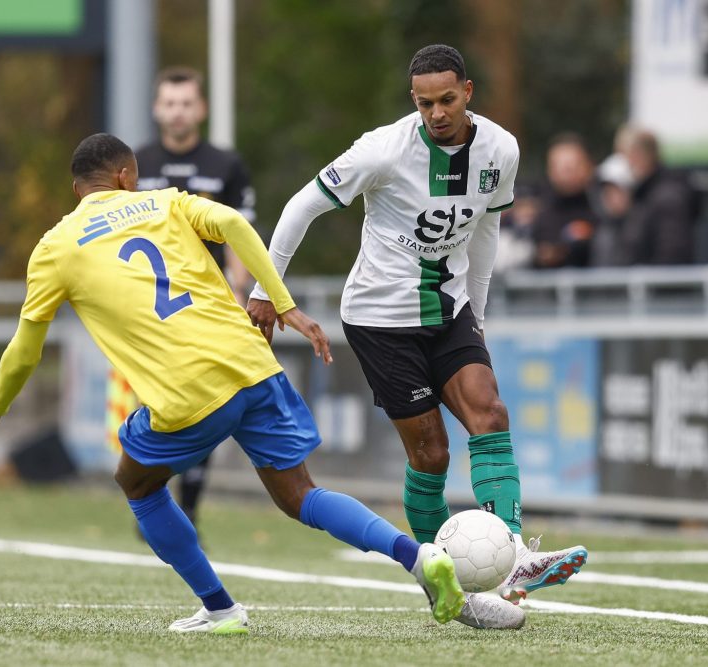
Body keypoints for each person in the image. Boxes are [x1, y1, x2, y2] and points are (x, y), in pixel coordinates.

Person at [0, 132, 522, 633]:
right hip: (252, 365)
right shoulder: (163, 202)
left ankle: (219, 609)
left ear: (78, 191)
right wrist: (280, 302)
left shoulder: (55, 248)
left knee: (137, 483)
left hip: (186, 392)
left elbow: (26, 343)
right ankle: (418, 557)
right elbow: (231, 223)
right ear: (125, 177)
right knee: (301, 495)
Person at [246, 44, 588, 615]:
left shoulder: (501, 149)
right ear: (415, 102)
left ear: (468, 92)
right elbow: (301, 206)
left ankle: (512, 557)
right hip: (380, 319)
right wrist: (265, 291)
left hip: (449, 307)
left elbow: (484, 231)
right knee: (431, 454)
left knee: (490, 413)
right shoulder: (382, 150)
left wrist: (477, 311)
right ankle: (438, 574)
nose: (437, 113)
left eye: (447, 100)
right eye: (425, 103)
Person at [126, 66, 258, 530]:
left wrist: (241, 291)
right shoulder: (134, 165)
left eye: (186, 103)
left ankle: (189, 509)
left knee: (204, 405)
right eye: (170, 102)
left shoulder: (226, 166)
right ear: (156, 108)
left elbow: (242, 235)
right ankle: (154, 504)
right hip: (148, 308)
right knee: (154, 406)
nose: (178, 111)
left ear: (200, 109)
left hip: (208, 307)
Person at [618, 129, 697, 265]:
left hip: (655, 283)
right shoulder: (646, 193)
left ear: (638, 155)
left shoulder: (666, 197)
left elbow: (671, 255)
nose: (626, 164)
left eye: (625, 156)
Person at [530, 133, 600, 269]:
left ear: (589, 167)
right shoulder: (541, 211)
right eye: (558, 166)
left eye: (571, 166)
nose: (565, 173)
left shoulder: (603, 206)